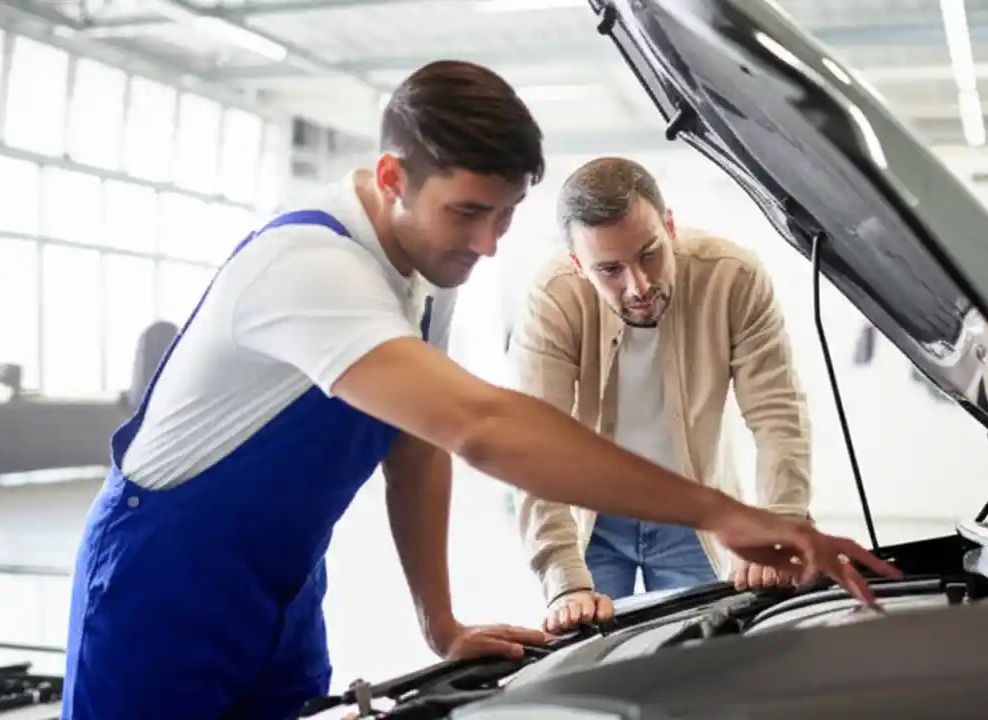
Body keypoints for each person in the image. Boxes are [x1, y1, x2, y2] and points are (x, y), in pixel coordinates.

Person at [62, 61, 897, 720]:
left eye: (503, 216)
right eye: (469, 213)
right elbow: (482, 426)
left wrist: (442, 623)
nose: (489, 245)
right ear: (392, 176)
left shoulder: (424, 271)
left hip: (283, 583)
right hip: (162, 580)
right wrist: (725, 511)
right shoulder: (311, 268)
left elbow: (416, 445)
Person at [511, 156, 820, 633]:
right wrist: (564, 578)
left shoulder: (733, 276)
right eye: (609, 269)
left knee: (706, 663)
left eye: (649, 253)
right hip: (591, 524)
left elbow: (778, 413)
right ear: (578, 265)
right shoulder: (553, 297)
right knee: (591, 671)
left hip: (692, 515)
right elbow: (531, 446)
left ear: (669, 226)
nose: (639, 285)